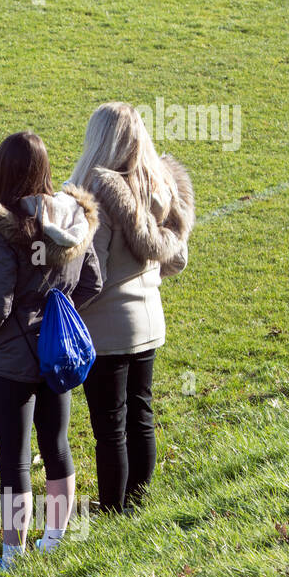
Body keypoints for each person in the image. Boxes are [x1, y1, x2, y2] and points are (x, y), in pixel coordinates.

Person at [0, 132, 101, 572]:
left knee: (15, 458)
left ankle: (12, 553)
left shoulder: (3, 228)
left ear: (3, 172)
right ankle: (55, 540)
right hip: (56, 354)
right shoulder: (76, 218)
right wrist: (57, 314)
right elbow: (92, 283)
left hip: (12, 359)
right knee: (58, 444)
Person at [68, 102, 195, 513]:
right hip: (149, 320)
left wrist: (65, 304)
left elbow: (93, 272)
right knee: (141, 413)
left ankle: (112, 510)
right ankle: (137, 505)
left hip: (107, 327)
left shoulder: (98, 190)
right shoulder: (161, 186)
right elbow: (176, 259)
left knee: (110, 426)